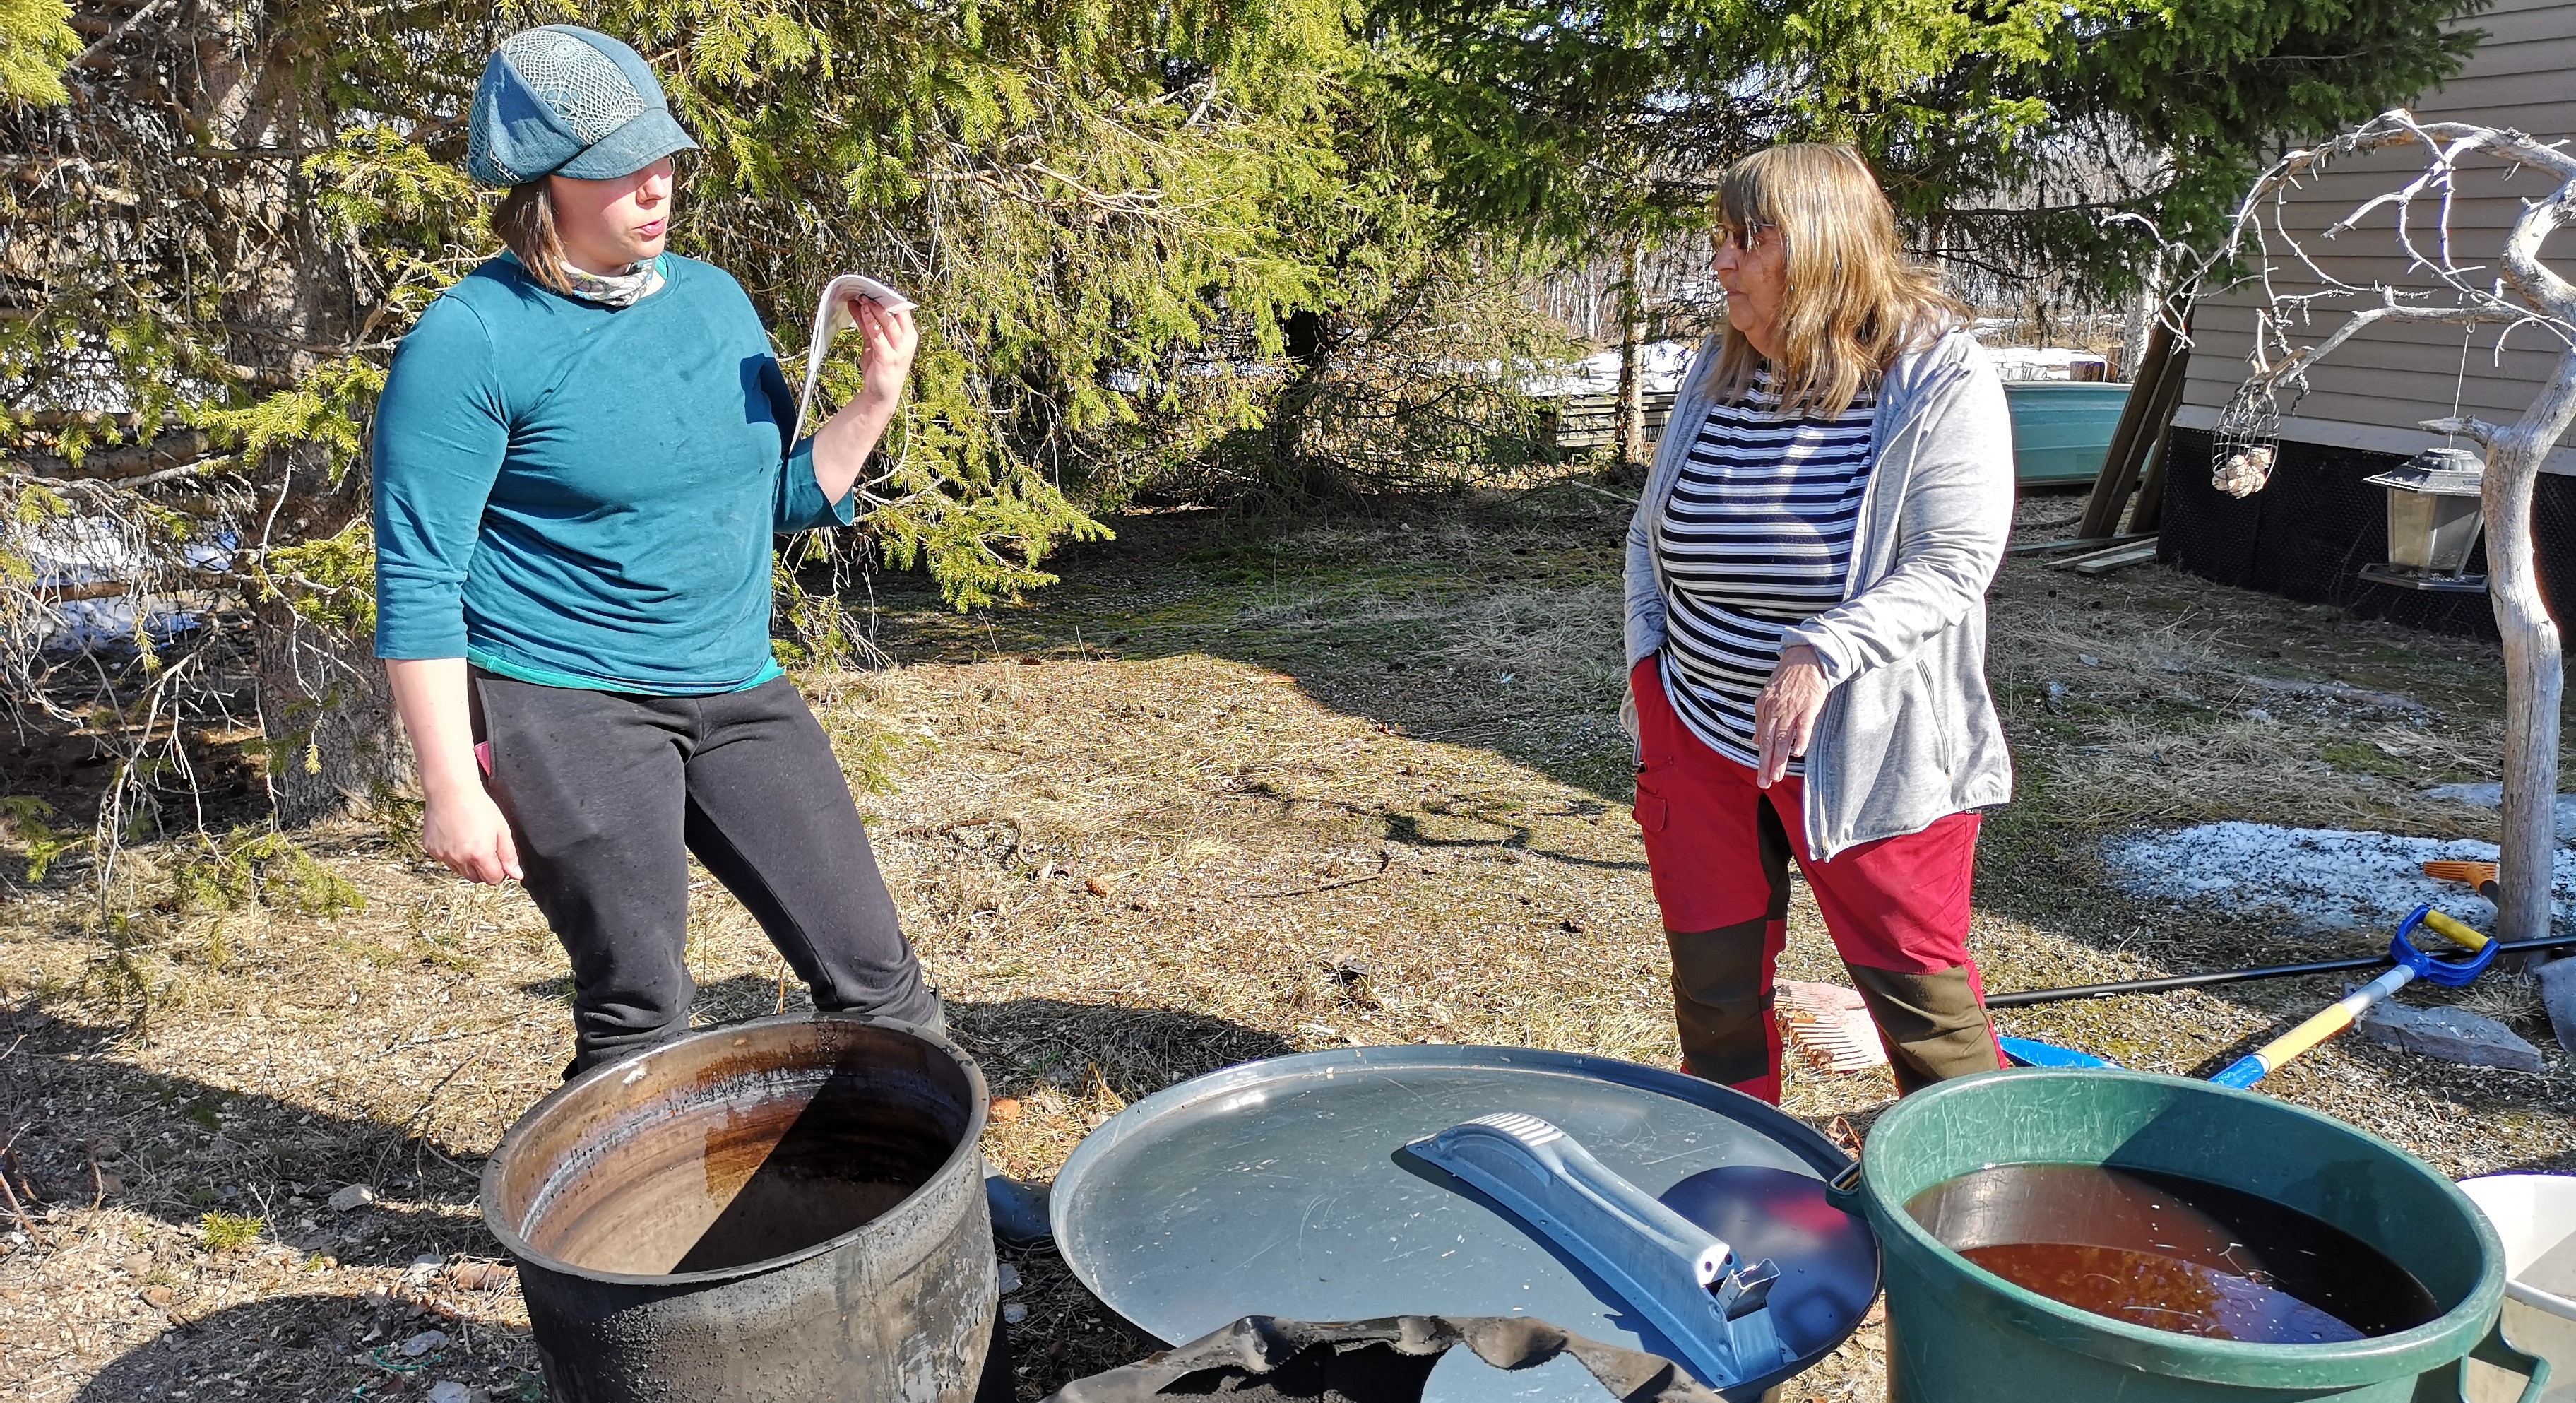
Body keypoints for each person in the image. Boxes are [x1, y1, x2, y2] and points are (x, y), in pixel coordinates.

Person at [371, 25, 944, 1075]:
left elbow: (771, 499)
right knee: (639, 1011)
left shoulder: (713, 301)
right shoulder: (471, 340)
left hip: (737, 685)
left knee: (878, 978)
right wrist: (450, 783)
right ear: (543, 184)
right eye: (618, 166)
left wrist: (874, 398)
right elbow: (419, 579)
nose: (656, 185)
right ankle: (620, 1191)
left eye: (665, 157)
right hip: (567, 703)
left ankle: (933, 1177)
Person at [1622, 143, 2014, 1102]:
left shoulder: (1936, 374)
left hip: (1867, 748)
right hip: (1698, 732)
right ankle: (1740, 1163)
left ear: (1825, 246)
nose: (1723, 261)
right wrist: (1648, 674)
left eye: (1750, 239)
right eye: (1721, 237)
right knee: (1715, 998)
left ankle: (1979, 1178)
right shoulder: (1718, 368)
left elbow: (1955, 561)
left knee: (1923, 1009)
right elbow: (1648, 533)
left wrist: (1820, 649)